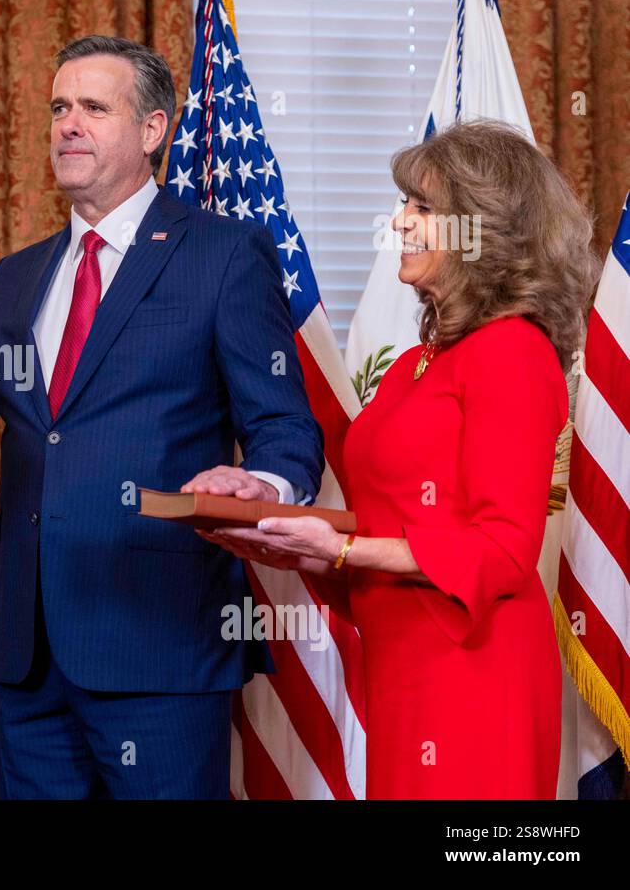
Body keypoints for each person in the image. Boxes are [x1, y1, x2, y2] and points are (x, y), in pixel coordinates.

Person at [0, 35, 323, 798]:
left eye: (95, 107)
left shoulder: (224, 255)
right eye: (59, 107)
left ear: (152, 130)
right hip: (29, 666)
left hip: (160, 649)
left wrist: (263, 485)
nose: (69, 123)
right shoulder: (16, 279)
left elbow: (286, 425)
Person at [206, 119, 601, 798]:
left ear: (484, 231)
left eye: (422, 207)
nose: (398, 223)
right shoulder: (414, 367)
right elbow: (390, 526)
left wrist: (340, 547)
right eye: (404, 204)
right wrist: (293, 544)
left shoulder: (512, 352)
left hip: (473, 668)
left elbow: (503, 549)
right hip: (400, 666)